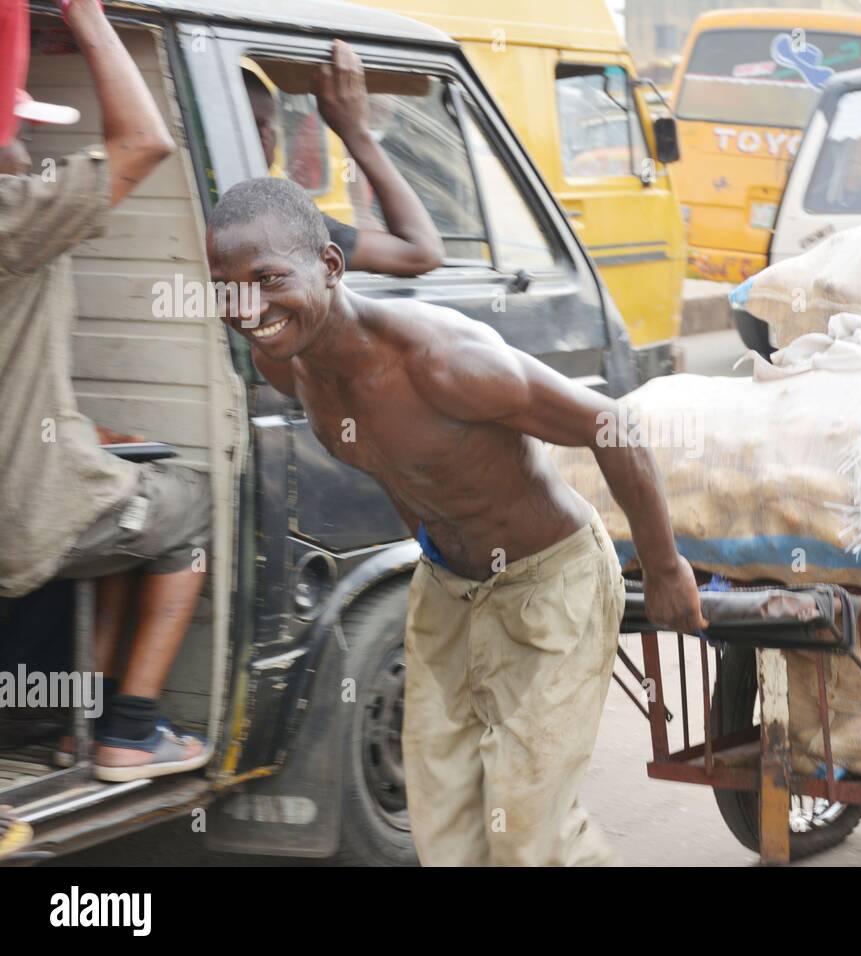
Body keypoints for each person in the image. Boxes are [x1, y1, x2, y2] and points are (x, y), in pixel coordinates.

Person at [206, 176, 707, 865]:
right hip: (446, 592)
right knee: (445, 825)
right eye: (227, 286)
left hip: (549, 585)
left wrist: (665, 568)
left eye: (266, 278)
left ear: (328, 267)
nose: (247, 305)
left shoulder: (441, 361)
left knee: (529, 829)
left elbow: (611, 425)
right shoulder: (286, 361)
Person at [0, 0, 211, 780]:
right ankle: (127, 730)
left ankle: (73, 722)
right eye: (18, 126)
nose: (28, 144)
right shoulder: (14, 216)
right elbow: (145, 142)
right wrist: (88, 17)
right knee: (185, 502)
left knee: (123, 494)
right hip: (21, 520)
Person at [242, 39, 443, 277]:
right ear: (266, 135)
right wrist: (356, 133)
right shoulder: (277, 219)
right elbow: (421, 253)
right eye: (269, 123)